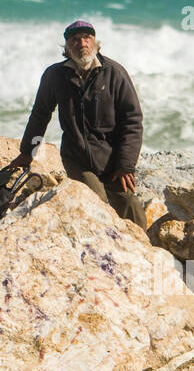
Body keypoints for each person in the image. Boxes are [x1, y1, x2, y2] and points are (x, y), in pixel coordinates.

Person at [11, 20, 147, 228]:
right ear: (66, 48)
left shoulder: (114, 73)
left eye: (87, 38)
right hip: (77, 158)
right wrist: (27, 152)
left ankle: (145, 249)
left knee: (130, 204)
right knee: (97, 202)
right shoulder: (54, 75)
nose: (81, 43)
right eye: (75, 40)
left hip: (112, 158)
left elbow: (132, 120)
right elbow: (40, 114)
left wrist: (126, 164)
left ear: (95, 43)